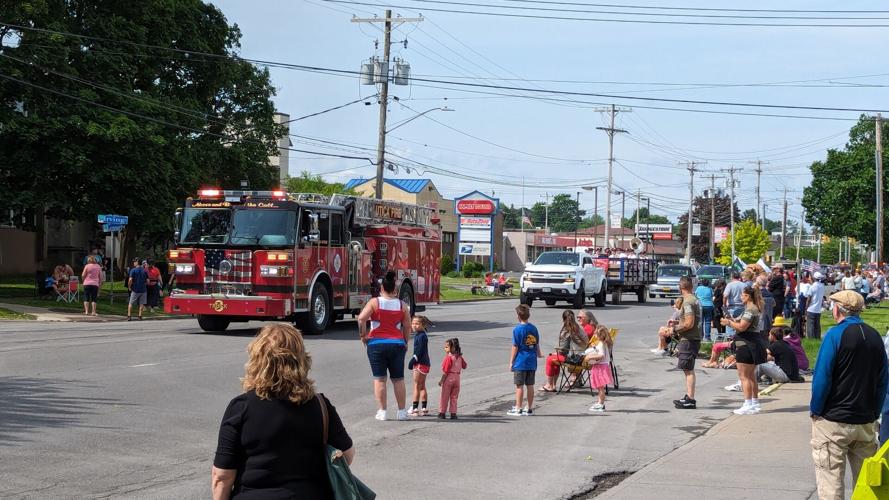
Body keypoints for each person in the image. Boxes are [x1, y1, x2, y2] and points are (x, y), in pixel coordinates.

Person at [211, 323, 354, 499]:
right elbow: (347, 455)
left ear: (258, 359)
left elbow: (222, 476)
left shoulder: (241, 407)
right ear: (301, 360)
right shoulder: (320, 405)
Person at [810, 290, 888, 500]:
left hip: (833, 419)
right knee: (866, 485)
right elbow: (882, 380)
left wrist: (816, 409)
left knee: (830, 481)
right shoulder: (874, 336)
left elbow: (822, 377)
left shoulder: (835, 335)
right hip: (864, 419)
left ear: (837, 309)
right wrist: (874, 412)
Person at [357, 270, 412, 421]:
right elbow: (407, 327)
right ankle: (401, 412)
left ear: (381, 289)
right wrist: (405, 342)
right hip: (396, 344)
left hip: (376, 344)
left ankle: (382, 412)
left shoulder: (375, 302)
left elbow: (361, 319)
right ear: (395, 290)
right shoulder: (402, 305)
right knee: (398, 379)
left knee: (380, 379)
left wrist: (363, 336)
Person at [720, 286, 767, 415]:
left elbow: (742, 326)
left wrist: (728, 323)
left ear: (748, 296)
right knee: (751, 376)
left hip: (746, 343)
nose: (740, 297)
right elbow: (740, 322)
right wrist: (731, 320)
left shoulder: (750, 310)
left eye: (742, 295)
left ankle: (747, 403)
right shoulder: (751, 309)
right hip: (752, 342)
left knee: (744, 376)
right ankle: (755, 403)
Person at [540, 310, 588, 392]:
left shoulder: (567, 329)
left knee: (550, 359)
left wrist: (557, 352)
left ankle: (549, 385)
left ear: (563, 319)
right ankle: (553, 385)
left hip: (575, 359)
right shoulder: (579, 327)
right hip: (584, 357)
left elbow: (562, 350)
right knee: (554, 359)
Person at [673, 276, 702, 410]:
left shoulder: (688, 302)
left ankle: (690, 399)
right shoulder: (694, 299)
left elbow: (689, 323)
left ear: (681, 287)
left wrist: (674, 329)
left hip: (689, 339)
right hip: (693, 338)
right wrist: (677, 323)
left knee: (688, 369)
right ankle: (688, 396)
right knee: (687, 369)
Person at [507, 304, 542, 416]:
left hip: (520, 361)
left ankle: (518, 407)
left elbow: (515, 346)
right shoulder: (533, 328)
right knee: (530, 385)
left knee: (519, 385)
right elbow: (536, 343)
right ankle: (529, 407)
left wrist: (511, 361)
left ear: (518, 316)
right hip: (532, 361)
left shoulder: (517, 330)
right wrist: (539, 354)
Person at [585, 324, 614, 413]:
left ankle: (601, 404)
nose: (594, 335)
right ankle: (600, 402)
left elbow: (601, 355)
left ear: (599, 335)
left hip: (600, 367)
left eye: (595, 334)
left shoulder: (601, 344)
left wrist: (590, 357)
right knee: (599, 387)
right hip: (601, 366)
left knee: (600, 387)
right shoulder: (603, 343)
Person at [407, 315, 432, 417]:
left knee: (416, 386)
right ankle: (424, 408)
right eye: (413, 323)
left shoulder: (421, 336)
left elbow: (419, 351)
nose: (414, 326)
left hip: (420, 364)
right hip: (426, 363)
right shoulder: (421, 335)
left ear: (423, 325)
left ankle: (415, 409)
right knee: (422, 386)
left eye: (417, 324)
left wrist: (412, 361)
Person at [437, 337, 467, 420]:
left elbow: (445, 371)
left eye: (447, 347)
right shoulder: (459, 357)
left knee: (444, 396)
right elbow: (465, 366)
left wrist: (441, 381)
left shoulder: (449, 358)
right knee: (454, 397)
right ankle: (453, 414)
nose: (445, 348)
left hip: (449, 378)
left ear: (452, 348)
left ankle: (442, 413)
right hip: (457, 378)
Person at [804, 271, 826, 340]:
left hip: (811, 309)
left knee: (810, 325)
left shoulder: (812, 287)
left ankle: (811, 339)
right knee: (817, 325)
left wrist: (806, 308)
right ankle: (817, 337)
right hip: (818, 309)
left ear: (814, 278)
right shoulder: (822, 286)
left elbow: (808, 299)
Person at [723, 272, 746, 337]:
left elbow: (725, 296)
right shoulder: (744, 285)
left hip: (732, 307)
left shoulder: (730, 285)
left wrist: (724, 306)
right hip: (742, 307)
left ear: (732, 277)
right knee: (740, 325)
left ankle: (730, 341)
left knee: (730, 324)